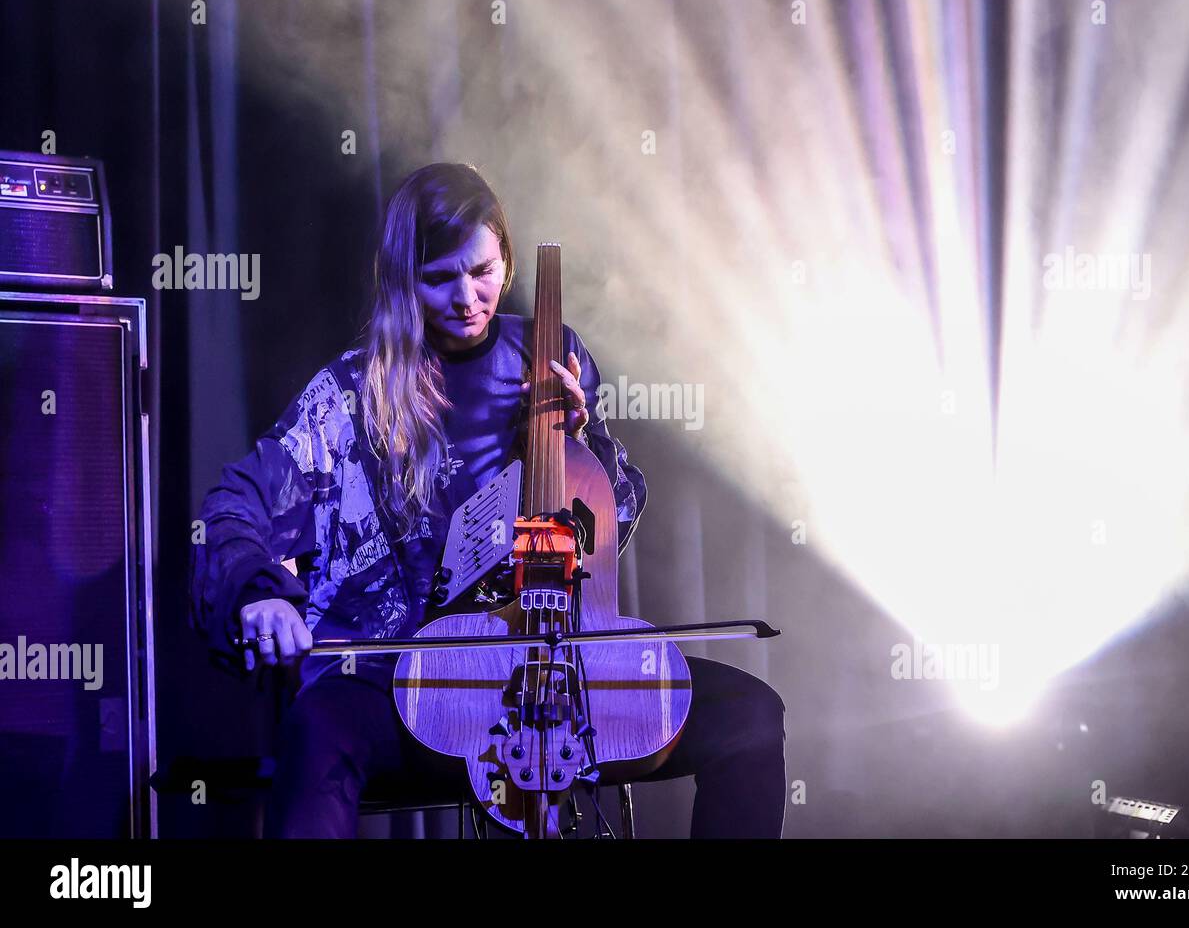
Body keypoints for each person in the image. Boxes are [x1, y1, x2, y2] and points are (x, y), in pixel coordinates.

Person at [189, 162, 786, 838]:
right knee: (319, 732)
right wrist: (256, 591)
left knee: (750, 714)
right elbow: (235, 507)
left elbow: (607, 533)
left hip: (555, 662)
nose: (468, 298)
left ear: (505, 256)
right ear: (401, 281)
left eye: (482, 270)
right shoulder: (350, 394)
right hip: (409, 671)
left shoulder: (549, 352)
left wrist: (580, 444)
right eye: (439, 278)